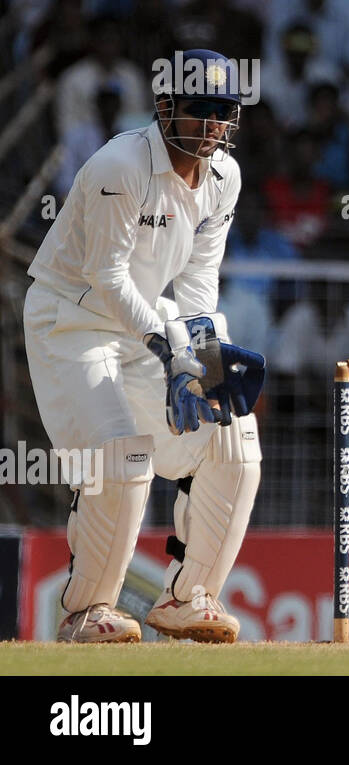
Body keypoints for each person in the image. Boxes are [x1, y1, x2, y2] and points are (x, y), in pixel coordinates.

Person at [23, 49, 265, 643]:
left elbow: (200, 284)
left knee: (234, 435)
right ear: (166, 108)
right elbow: (107, 278)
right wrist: (170, 353)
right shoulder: (120, 165)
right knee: (122, 454)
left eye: (224, 110)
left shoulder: (224, 177)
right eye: (200, 108)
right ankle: (88, 612)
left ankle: (189, 597)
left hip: (145, 324)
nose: (212, 124)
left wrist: (204, 360)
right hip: (72, 320)